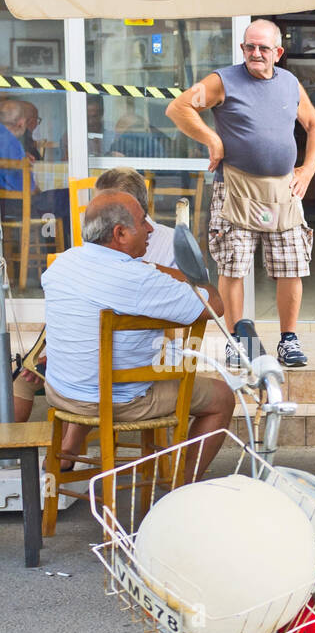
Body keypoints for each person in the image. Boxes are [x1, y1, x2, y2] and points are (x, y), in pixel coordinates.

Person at [165, 18, 315, 368]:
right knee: (233, 267)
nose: (255, 53)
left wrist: (308, 170)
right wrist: (212, 139)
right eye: (249, 46)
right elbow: (178, 107)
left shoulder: (290, 84)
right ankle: (239, 342)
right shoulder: (223, 80)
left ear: (278, 53)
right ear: (242, 49)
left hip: (283, 189)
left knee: (291, 267)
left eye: (263, 48)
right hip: (235, 186)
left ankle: (288, 340)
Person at [40, 192, 235, 482]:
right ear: (119, 233)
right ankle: (182, 490)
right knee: (223, 397)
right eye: (143, 221)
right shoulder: (139, 280)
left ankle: (66, 453)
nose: (151, 229)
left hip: (62, 392)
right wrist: (192, 271)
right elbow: (215, 306)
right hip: (118, 400)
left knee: (142, 362)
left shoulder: (62, 264)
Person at [10, 168, 179, 425]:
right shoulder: (102, 236)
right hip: (92, 345)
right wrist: (52, 352)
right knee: (25, 379)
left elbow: (179, 303)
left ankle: (67, 451)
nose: (99, 211)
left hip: (131, 352)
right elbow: (77, 303)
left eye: (106, 203)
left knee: (84, 377)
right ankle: (13, 457)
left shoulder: (164, 242)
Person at [0, 99, 70, 246]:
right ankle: (59, 248)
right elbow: (32, 189)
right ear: (21, 122)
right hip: (18, 205)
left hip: (4, 205)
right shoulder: (13, 142)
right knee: (66, 197)